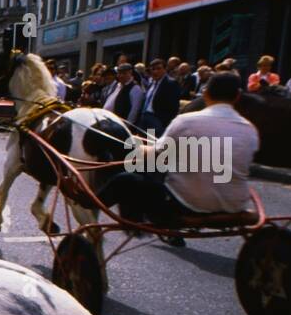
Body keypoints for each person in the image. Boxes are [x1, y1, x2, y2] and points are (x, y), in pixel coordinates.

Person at [97, 72, 257, 237]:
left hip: (187, 205)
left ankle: (88, 202)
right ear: (237, 96)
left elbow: (155, 157)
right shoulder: (250, 129)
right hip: (235, 204)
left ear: (206, 93)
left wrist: (138, 144)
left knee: (126, 178)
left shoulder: (186, 121)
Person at [141, 58, 181, 134]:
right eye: (153, 69)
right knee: (142, 142)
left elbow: (174, 107)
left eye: (159, 69)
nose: (155, 71)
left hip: (156, 119)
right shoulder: (152, 82)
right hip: (144, 116)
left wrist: (163, 122)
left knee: (151, 143)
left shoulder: (171, 84)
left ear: (165, 69)